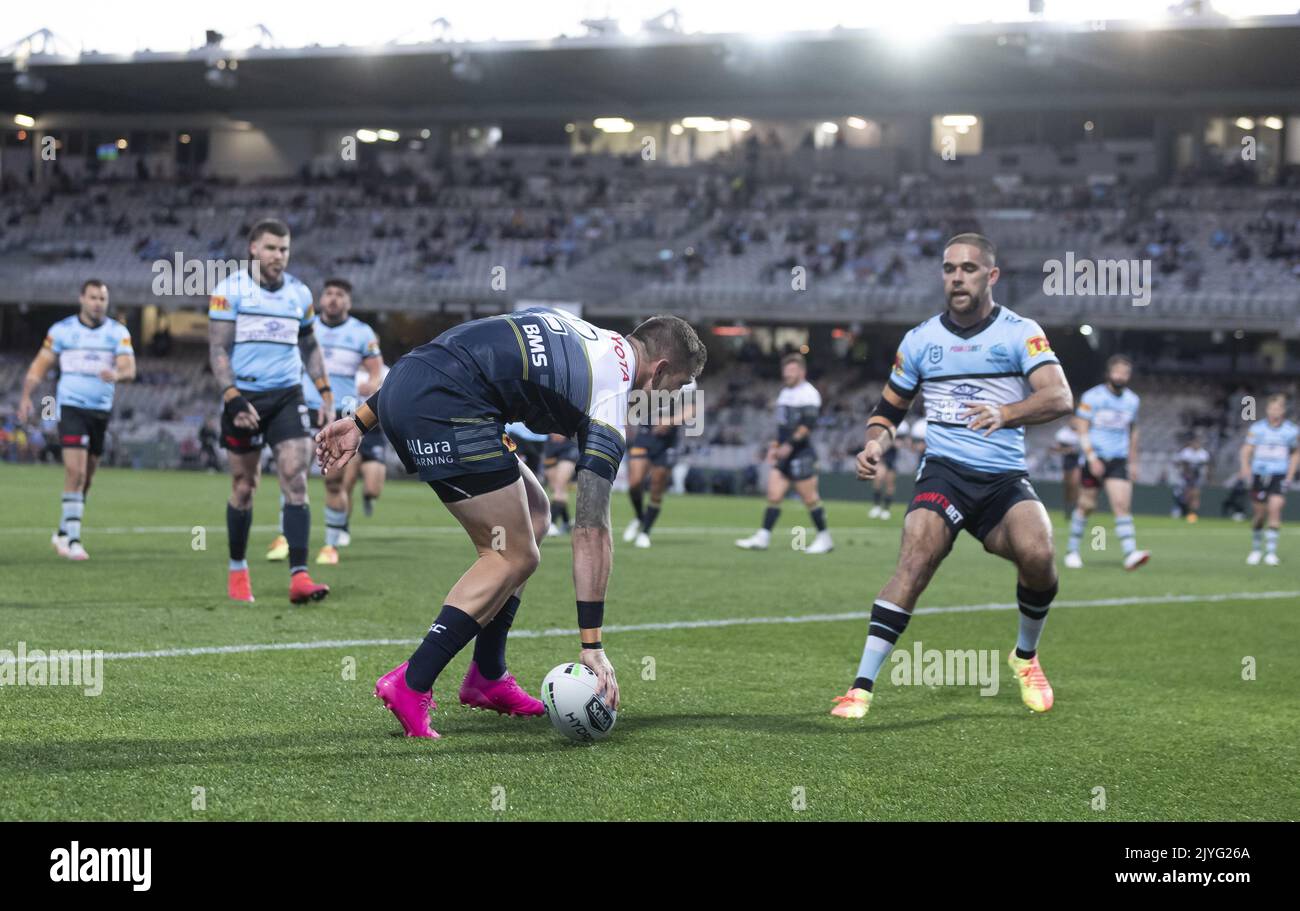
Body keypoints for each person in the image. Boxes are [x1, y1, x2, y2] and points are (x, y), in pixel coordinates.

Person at [314, 307, 706, 738]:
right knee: (511, 555)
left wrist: (360, 420)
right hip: (446, 406)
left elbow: (463, 347)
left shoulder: (580, 329)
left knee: (535, 516)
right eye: (678, 386)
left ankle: (487, 674)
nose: (672, 398)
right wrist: (592, 645)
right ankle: (412, 681)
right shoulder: (611, 397)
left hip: (410, 380)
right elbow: (591, 528)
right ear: (660, 370)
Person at [829, 233, 1073, 720]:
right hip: (944, 474)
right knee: (915, 557)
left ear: (991, 275)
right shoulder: (920, 340)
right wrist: (875, 443)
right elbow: (887, 411)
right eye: (949, 269)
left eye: (969, 268)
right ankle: (860, 688)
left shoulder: (1020, 332)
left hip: (1003, 478)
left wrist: (1006, 412)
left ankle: (1025, 657)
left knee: (1039, 554)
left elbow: (1060, 397)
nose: (957, 278)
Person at [209, 218, 332, 604]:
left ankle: (299, 576)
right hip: (243, 397)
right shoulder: (229, 291)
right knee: (244, 486)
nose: (278, 255)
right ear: (253, 249)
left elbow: (309, 346)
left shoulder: (299, 293)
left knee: (295, 477)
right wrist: (232, 398)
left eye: (284, 249)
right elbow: (218, 349)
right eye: (271, 248)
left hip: (287, 396)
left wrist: (325, 392)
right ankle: (237, 569)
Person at [267, 278, 382, 565]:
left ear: (348, 302)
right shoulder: (306, 327)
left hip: (342, 412)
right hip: (305, 406)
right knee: (293, 471)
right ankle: (286, 536)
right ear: (321, 299)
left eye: (339, 294)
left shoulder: (362, 332)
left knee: (333, 480)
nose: (333, 298)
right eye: (329, 293)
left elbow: (376, 373)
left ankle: (331, 545)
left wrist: (371, 384)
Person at [18, 279, 135, 561]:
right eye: (93, 297)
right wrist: (26, 396)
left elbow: (129, 369)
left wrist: (117, 375)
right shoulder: (62, 331)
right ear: (82, 298)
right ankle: (73, 540)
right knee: (75, 472)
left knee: (87, 478)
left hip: (100, 410)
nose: (98, 303)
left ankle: (61, 532)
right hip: (70, 407)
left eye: (102, 298)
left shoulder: (117, 332)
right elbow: (39, 365)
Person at [735, 354, 834, 554]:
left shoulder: (809, 394)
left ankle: (825, 538)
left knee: (810, 498)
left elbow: (807, 425)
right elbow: (782, 427)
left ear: (802, 372)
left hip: (801, 452)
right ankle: (763, 537)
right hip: (783, 452)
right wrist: (775, 446)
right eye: (785, 370)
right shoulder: (785, 393)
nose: (787, 374)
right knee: (773, 495)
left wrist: (789, 445)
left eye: (792, 370)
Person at [1064, 355, 1150, 571]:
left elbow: (1133, 431)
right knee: (1087, 505)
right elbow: (1082, 427)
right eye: (1117, 372)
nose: (1121, 376)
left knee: (1122, 505)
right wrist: (1091, 457)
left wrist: (1133, 461)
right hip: (1095, 457)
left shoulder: (1132, 401)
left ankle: (1130, 553)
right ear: (1109, 373)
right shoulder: (1092, 397)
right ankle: (1072, 551)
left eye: (1125, 373)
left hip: (1118, 459)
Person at [623, 381, 696, 548]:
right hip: (645, 433)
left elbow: (692, 408)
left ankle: (645, 532)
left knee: (657, 485)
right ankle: (640, 517)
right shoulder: (652, 371)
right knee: (634, 483)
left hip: (668, 440)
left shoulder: (689, 379)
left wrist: (671, 421)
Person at [1240, 394, 1298, 566]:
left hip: (1279, 475)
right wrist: (1245, 467)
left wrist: (1290, 475)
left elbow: (1295, 453)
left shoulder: (1291, 431)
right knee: (1259, 514)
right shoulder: (1257, 428)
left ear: (1283, 410)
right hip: (1259, 475)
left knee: (1275, 508)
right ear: (1267, 410)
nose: (1275, 412)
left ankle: (1271, 552)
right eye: (1272, 408)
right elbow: (1247, 449)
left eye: (1278, 408)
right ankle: (1256, 549)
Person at [869, 419, 908, 520]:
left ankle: (886, 509)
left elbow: (900, 443)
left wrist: (891, 442)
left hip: (892, 460)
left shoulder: (902, 427)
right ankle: (876, 506)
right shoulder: (885, 424)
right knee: (878, 479)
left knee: (890, 484)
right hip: (883, 458)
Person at [542, 434, 579, 536]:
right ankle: (566, 522)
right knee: (555, 489)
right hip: (551, 443)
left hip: (568, 443)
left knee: (559, 487)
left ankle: (551, 523)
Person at [1174, 434, 1210, 522]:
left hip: (1197, 477)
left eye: (1197, 443)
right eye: (1194, 443)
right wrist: (1188, 474)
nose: (1195, 445)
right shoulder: (1186, 452)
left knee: (1196, 494)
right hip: (1186, 477)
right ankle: (1184, 510)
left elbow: (1206, 466)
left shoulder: (1203, 453)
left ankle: (1192, 512)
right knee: (1186, 495)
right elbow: (1182, 464)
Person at [1049, 422, 1082, 521]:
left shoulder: (1083, 431)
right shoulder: (1063, 433)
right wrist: (1067, 450)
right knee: (1068, 487)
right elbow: (1055, 448)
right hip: (1067, 462)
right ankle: (1068, 509)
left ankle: (1077, 511)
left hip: (1078, 462)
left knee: (1075, 484)